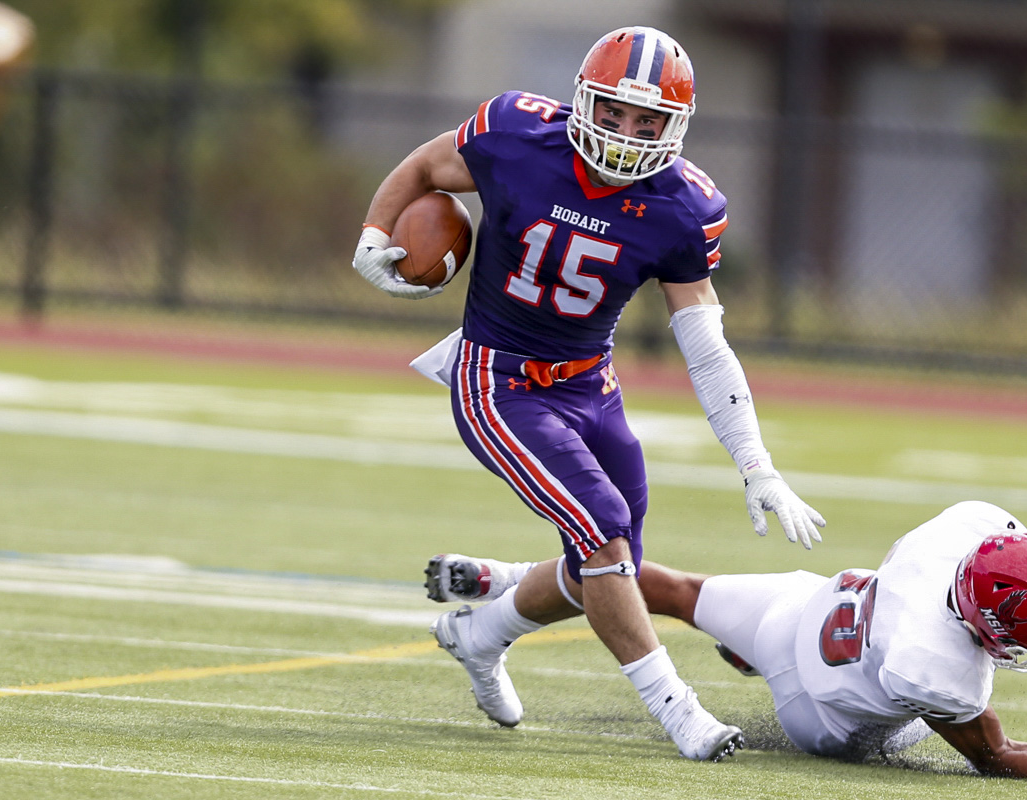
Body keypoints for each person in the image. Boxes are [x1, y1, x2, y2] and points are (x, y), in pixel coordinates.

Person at [351, 27, 826, 761]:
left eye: (648, 122)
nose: (628, 135)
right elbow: (425, 166)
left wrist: (756, 464)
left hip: (590, 386)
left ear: (676, 126)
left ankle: (479, 634)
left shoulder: (682, 206)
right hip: (499, 379)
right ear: (583, 102)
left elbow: (705, 347)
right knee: (601, 532)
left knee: (606, 564)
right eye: (613, 113)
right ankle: (681, 712)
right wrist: (376, 232)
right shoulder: (516, 134)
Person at [427, 502, 1027, 792]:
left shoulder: (970, 530)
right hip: (822, 712)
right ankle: (501, 596)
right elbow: (994, 756)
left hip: (805, 608)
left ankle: (510, 578)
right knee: (914, 730)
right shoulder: (936, 669)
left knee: (651, 582)